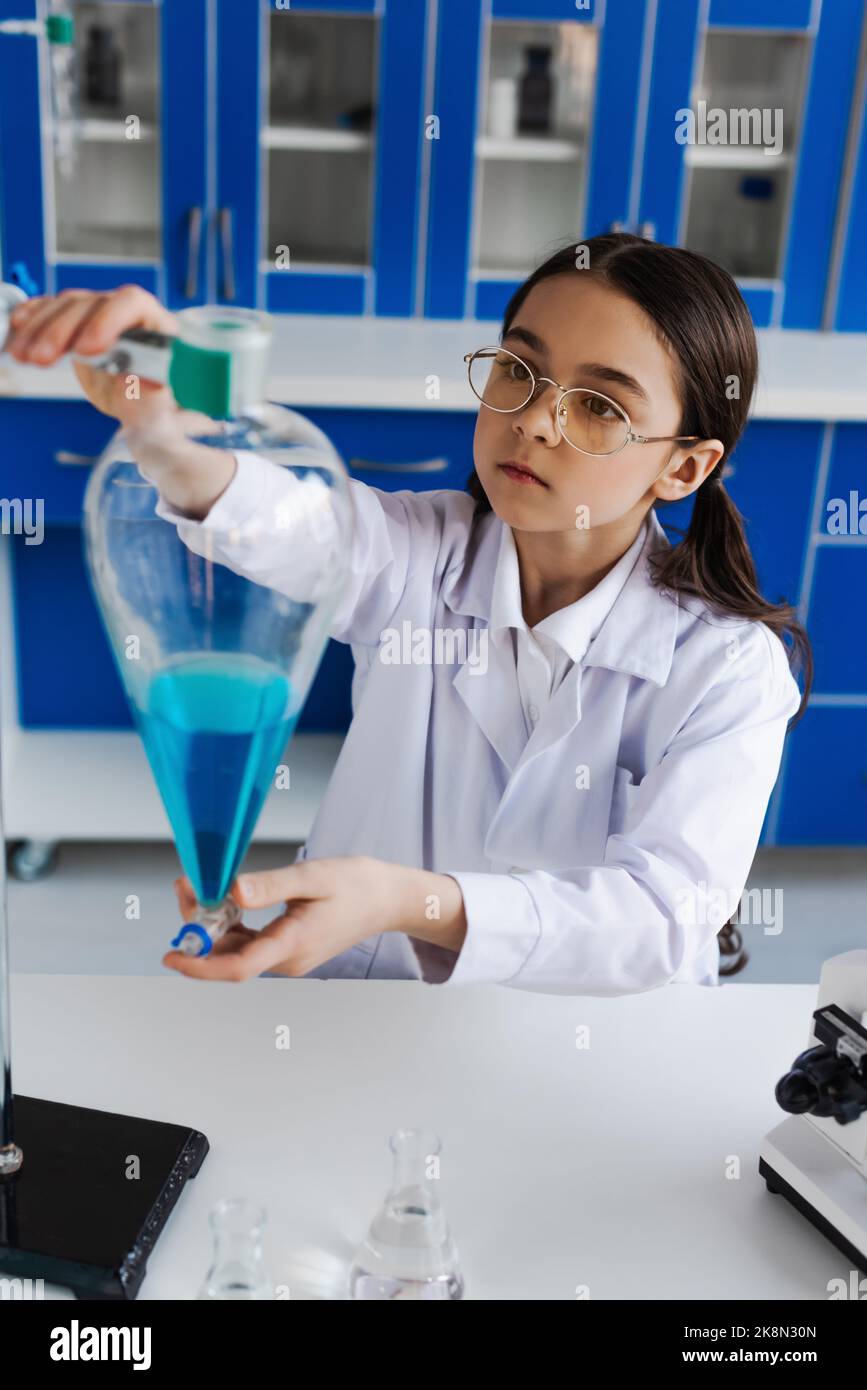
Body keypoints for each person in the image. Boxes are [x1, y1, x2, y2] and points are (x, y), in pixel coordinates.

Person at [7, 232, 811, 993]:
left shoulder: (728, 669)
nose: (531, 419)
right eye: (516, 370)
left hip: (598, 1059)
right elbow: (283, 521)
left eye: (598, 405)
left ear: (683, 466)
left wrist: (411, 903)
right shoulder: (419, 555)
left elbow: (665, 917)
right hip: (375, 1009)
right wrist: (163, 432)